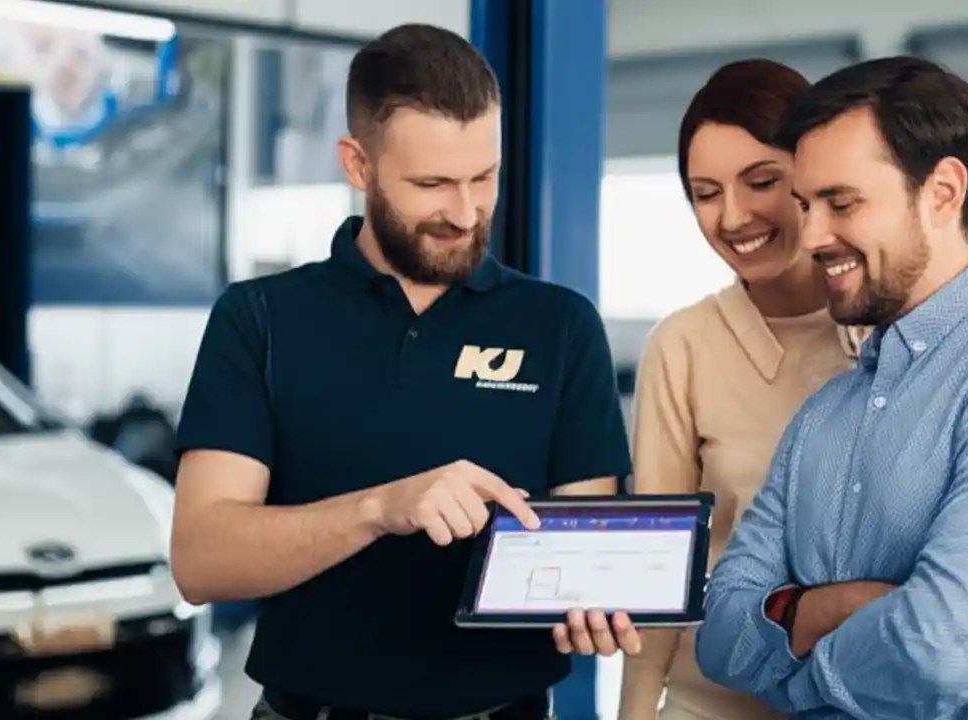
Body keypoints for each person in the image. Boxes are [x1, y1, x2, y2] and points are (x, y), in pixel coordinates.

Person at [169, 23, 639, 720]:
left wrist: (596, 601)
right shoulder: (260, 319)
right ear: (357, 165)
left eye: (484, 177)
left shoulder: (560, 326)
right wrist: (380, 510)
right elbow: (202, 560)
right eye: (431, 183)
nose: (465, 211)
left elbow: (584, 547)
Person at [695, 56, 968, 719]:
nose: (811, 235)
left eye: (841, 203)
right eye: (806, 205)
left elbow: (949, 646)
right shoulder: (826, 412)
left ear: (944, 192)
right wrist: (836, 608)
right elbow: (722, 634)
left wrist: (794, 664)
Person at [618, 60, 862, 720]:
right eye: (704, 192)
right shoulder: (684, 345)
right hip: (712, 704)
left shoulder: (890, 335)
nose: (733, 217)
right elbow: (656, 573)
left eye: (761, 182)